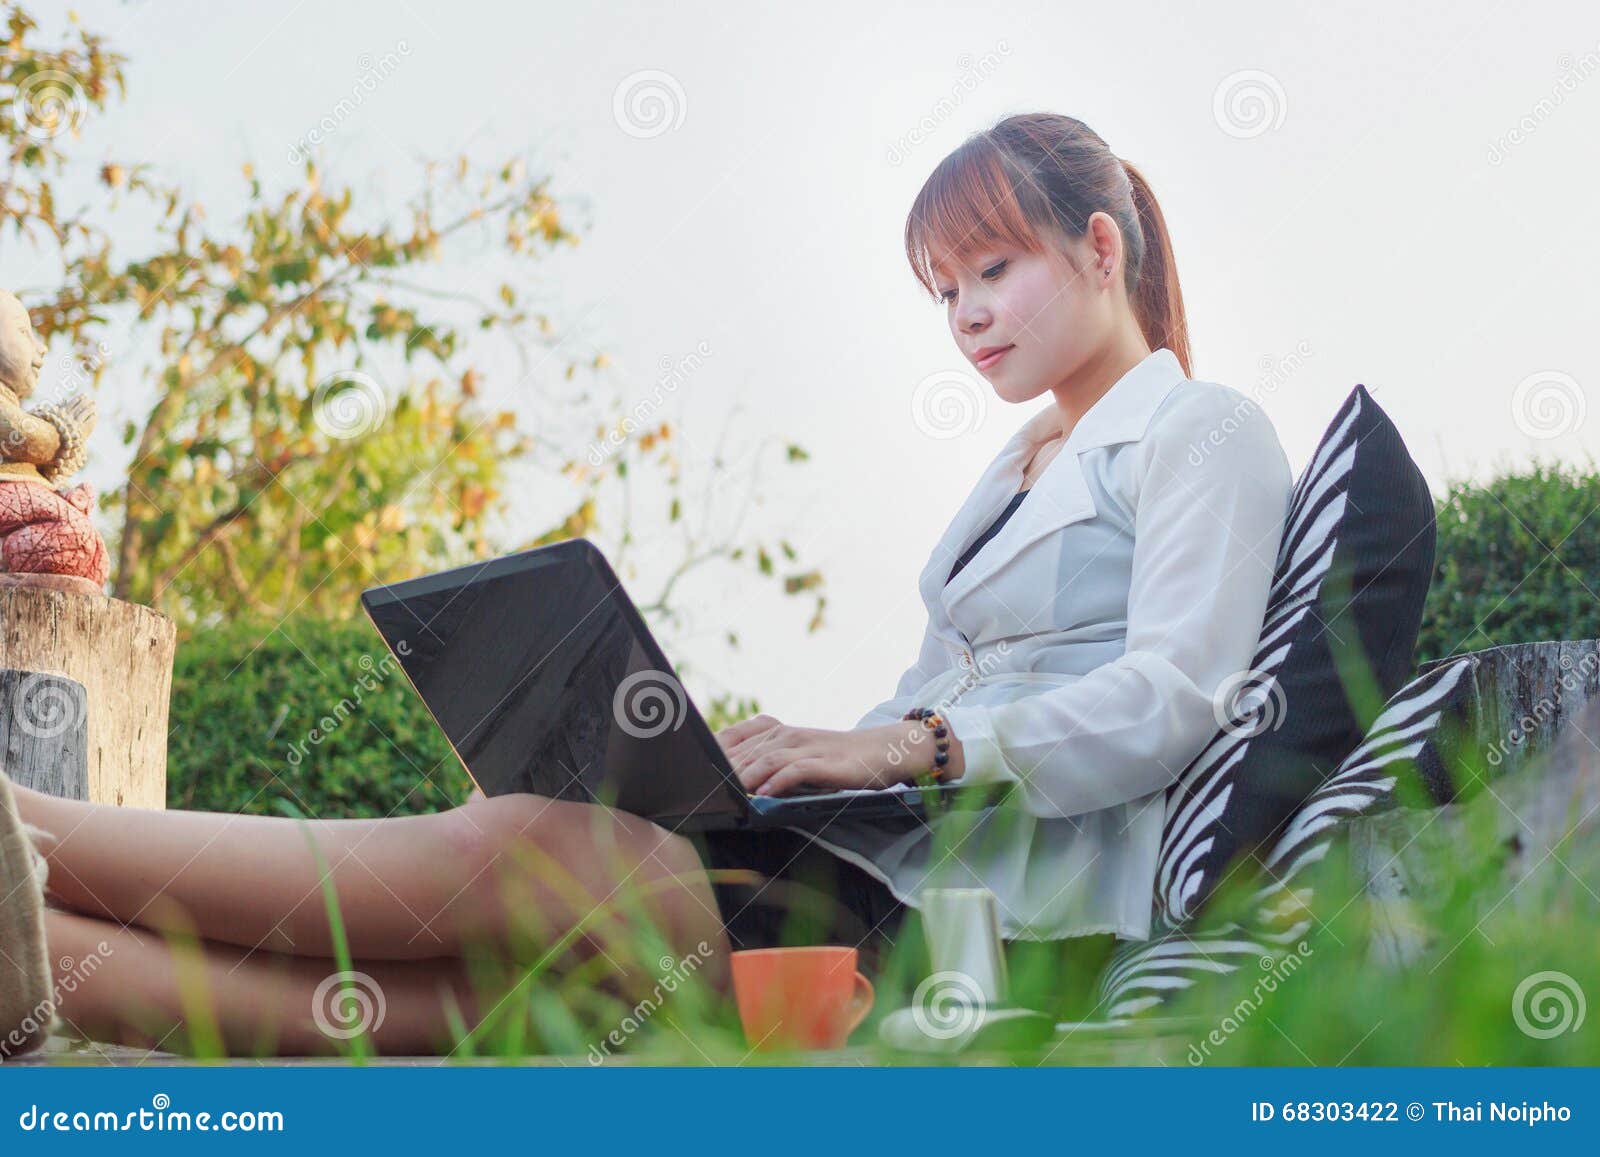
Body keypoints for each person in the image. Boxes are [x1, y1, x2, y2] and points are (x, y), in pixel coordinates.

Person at [0, 111, 1292, 1057]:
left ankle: (21, 826)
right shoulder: (1010, 474)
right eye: (943, 289)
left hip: (987, 927)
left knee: (525, 844)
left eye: (990, 271)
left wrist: (907, 738)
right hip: (866, 867)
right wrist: (770, 766)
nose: (964, 314)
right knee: (481, 988)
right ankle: (37, 964)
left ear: (1100, 244)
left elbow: (1182, 694)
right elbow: (916, 724)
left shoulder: (1203, 432)